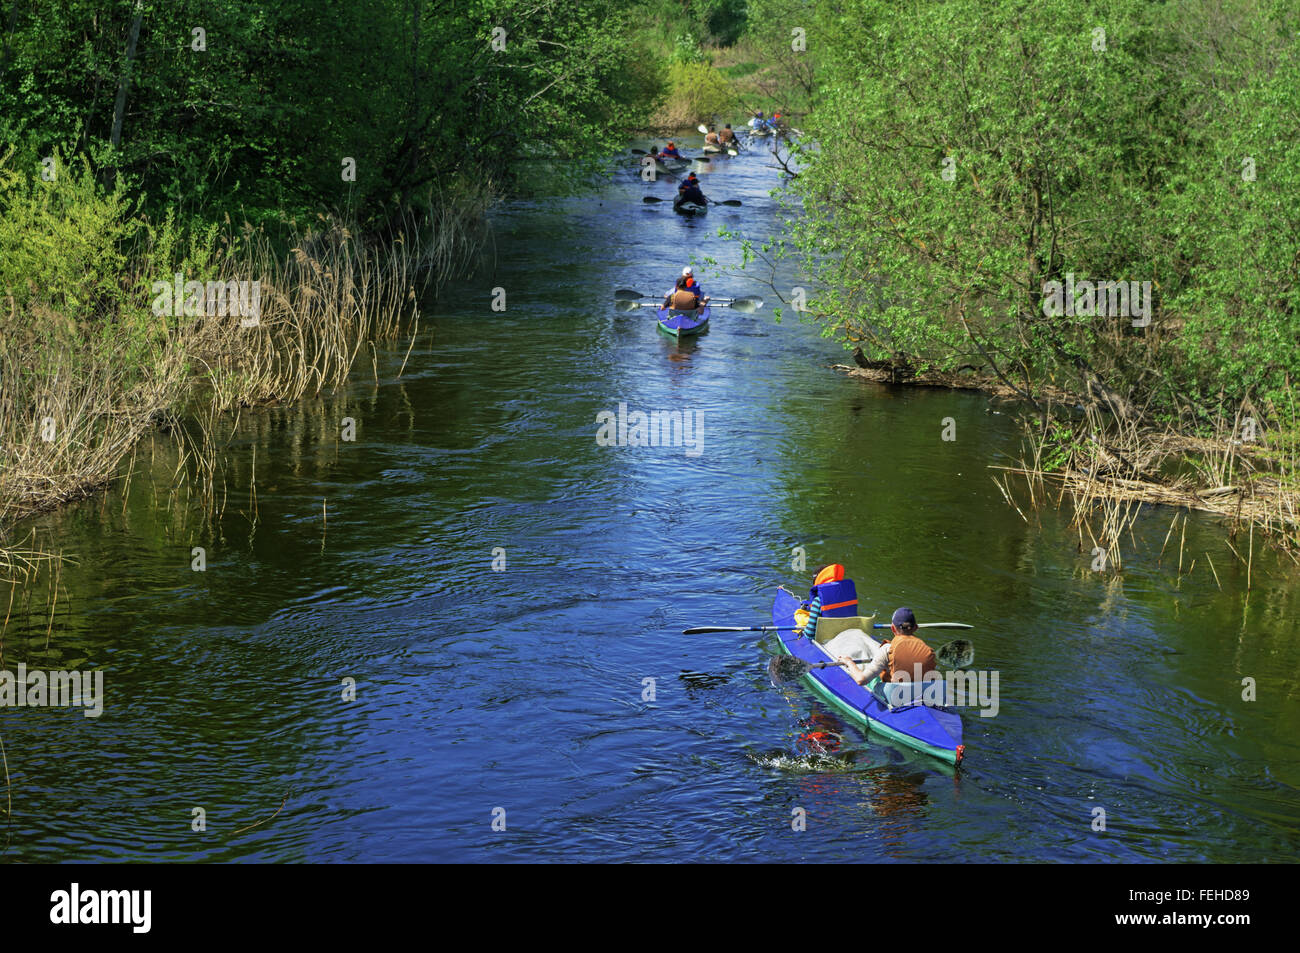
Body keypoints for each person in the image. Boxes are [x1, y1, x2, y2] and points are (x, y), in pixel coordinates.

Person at [838, 607, 938, 697]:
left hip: (898, 696)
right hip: (924, 694)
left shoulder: (887, 649)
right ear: (915, 628)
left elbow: (861, 680)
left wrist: (849, 662)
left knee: (874, 683)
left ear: (893, 628)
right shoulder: (928, 650)